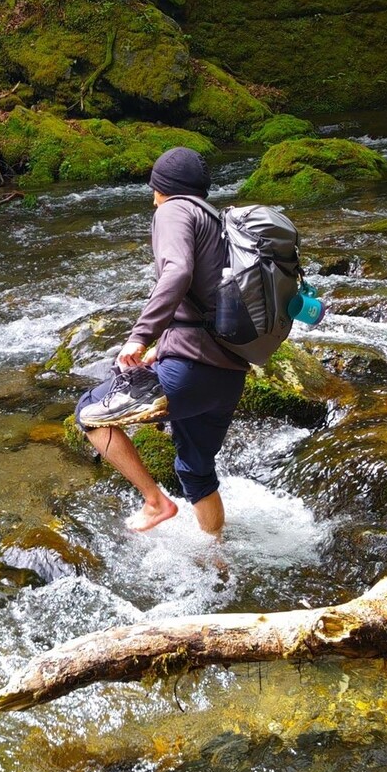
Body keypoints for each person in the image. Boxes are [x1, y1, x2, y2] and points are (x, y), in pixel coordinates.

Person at [75, 146, 248, 535]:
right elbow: (209, 304)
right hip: (229, 374)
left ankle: (155, 502)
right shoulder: (217, 223)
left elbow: (178, 272)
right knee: (196, 470)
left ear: (161, 188)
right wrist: (161, 348)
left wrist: (139, 337)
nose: (152, 196)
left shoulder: (172, 210)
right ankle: (216, 560)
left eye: (154, 188)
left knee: (87, 412)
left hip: (190, 371)